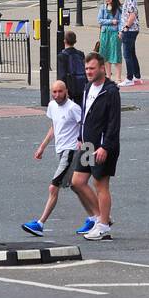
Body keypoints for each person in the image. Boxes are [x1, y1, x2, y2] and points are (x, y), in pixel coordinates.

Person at [22, 80, 99, 237]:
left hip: (71, 152)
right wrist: (42, 147)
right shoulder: (52, 106)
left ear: (66, 91)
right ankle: (96, 217)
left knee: (53, 187)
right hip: (61, 151)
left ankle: (40, 224)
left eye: (60, 92)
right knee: (76, 185)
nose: (57, 95)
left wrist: (85, 147)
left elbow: (86, 126)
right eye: (54, 92)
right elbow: (54, 127)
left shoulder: (73, 108)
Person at [72, 51, 121, 241]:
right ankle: (101, 217)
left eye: (92, 68)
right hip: (87, 144)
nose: (88, 72)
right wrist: (79, 136)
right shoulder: (87, 87)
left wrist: (105, 147)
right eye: (86, 69)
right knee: (77, 182)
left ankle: (103, 226)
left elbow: (113, 123)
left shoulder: (110, 91)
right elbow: (84, 115)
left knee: (100, 184)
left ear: (102, 68)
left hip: (101, 146)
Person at [119, 0, 142, 88]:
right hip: (132, 29)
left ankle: (129, 78)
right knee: (132, 53)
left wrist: (126, 27)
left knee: (127, 54)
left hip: (130, 29)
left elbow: (132, 14)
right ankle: (136, 76)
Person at [97, 0, 122, 83]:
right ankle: (108, 76)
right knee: (105, 55)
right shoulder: (103, 7)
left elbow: (121, 21)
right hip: (104, 34)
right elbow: (99, 20)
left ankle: (118, 78)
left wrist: (120, 32)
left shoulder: (119, 8)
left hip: (115, 34)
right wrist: (111, 21)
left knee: (116, 54)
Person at [57, 30, 86, 103]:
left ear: (64, 41)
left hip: (68, 86)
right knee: (79, 109)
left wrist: (63, 90)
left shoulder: (61, 56)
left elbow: (62, 75)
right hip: (80, 84)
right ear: (75, 41)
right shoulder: (81, 54)